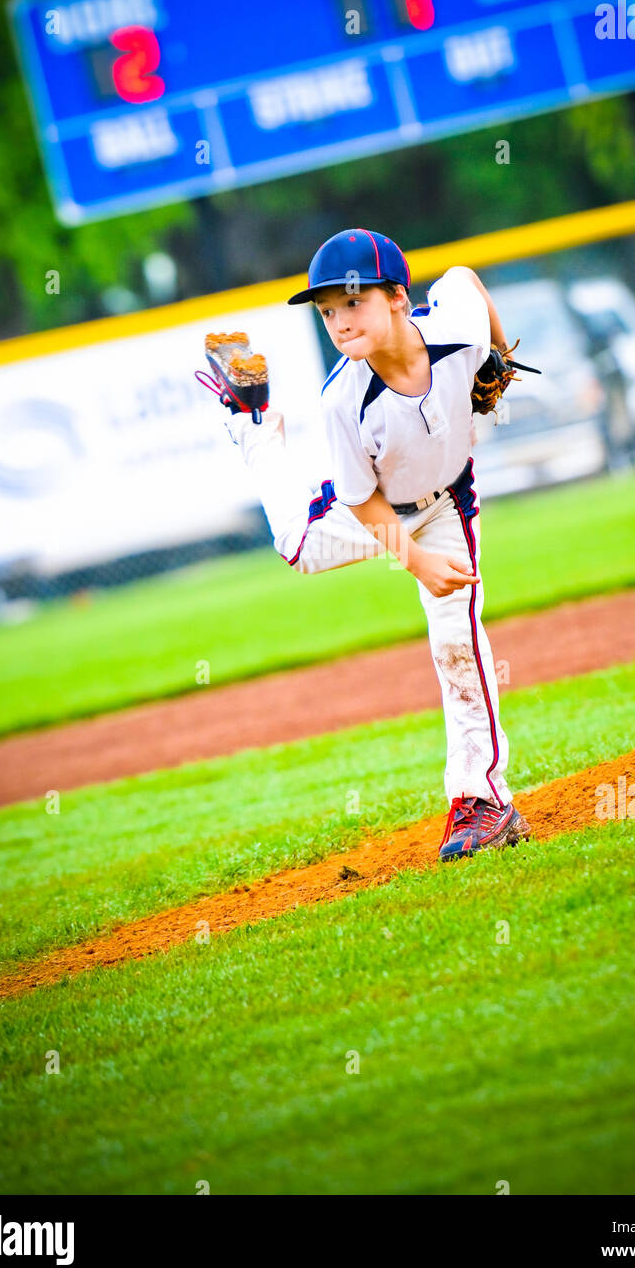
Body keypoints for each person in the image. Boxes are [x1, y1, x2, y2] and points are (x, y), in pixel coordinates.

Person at [198, 229, 529, 860]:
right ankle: (252, 420)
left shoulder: (455, 332)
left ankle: (482, 801)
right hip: (374, 509)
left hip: (450, 499)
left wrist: (497, 357)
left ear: (399, 297)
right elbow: (361, 502)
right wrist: (417, 560)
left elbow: (462, 276)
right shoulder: (343, 402)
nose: (339, 321)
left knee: (458, 643)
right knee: (295, 545)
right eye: (327, 311)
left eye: (353, 302)